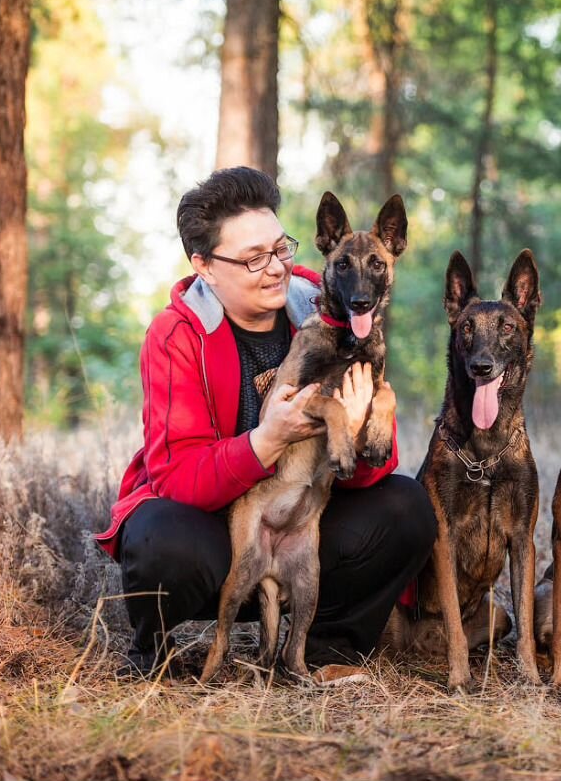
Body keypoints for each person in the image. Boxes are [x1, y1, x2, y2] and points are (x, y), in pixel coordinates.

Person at [95, 166, 436, 681]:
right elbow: (175, 479)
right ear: (205, 265)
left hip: (300, 513)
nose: (276, 268)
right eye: (254, 258)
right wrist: (266, 441)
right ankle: (154, 652)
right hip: (214, 532)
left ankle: (321, 653)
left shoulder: (328, 305)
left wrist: (359, 427)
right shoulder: (175, 335)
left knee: (407, 506)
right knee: (160, 537)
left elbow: (367, 470)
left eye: (281, 248)